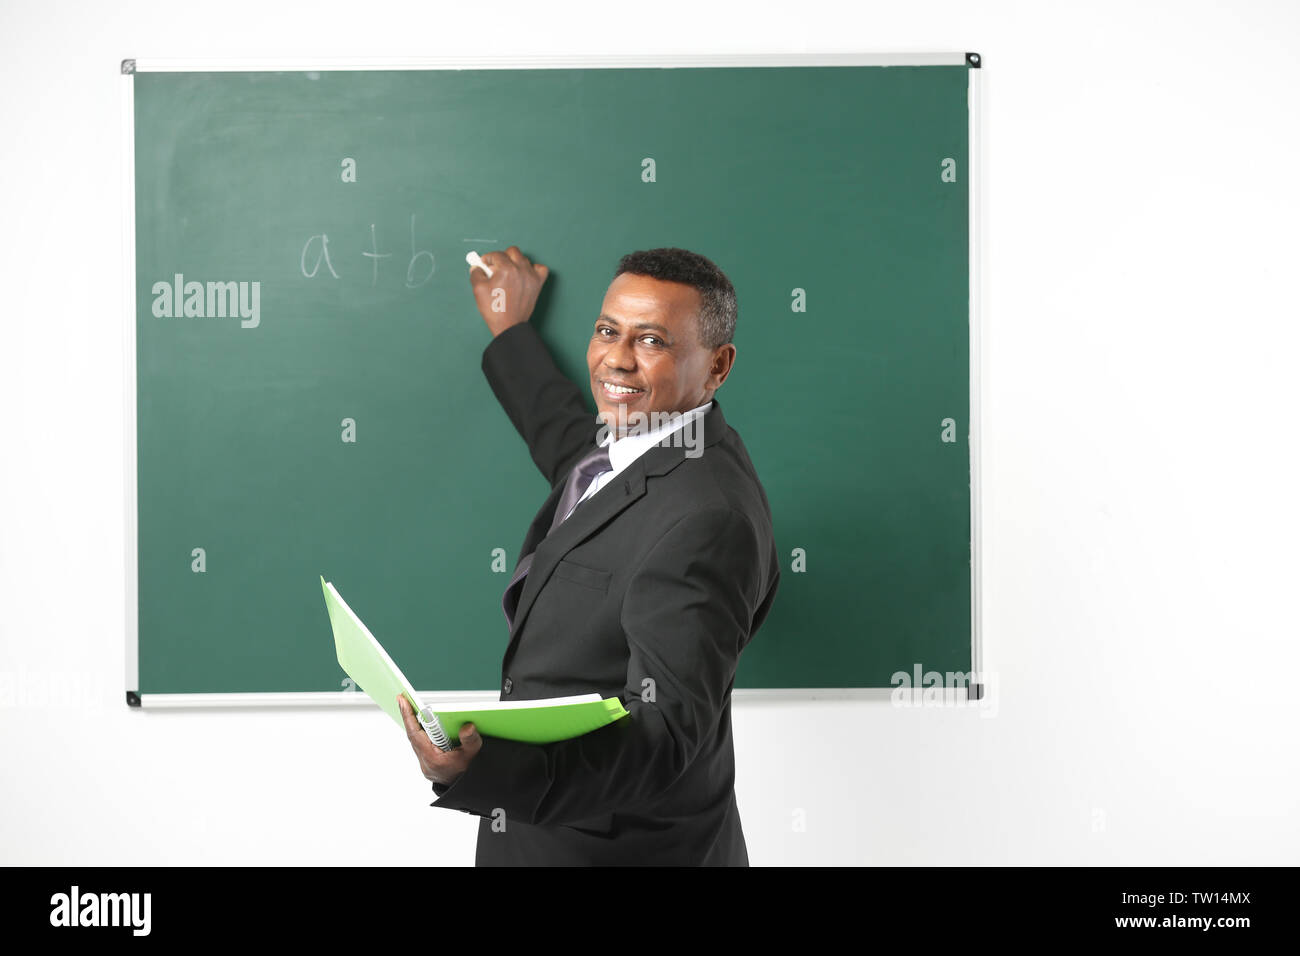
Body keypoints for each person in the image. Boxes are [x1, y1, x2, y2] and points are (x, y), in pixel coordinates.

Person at [397, 245, 780, 865]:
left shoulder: (707, 518)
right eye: (607, 331)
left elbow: (664, 733)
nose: (616, 360)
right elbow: (569, 445)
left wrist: (487, 768)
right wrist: (511, 331)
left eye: (652, 341)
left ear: (717, 367)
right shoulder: (642, 446)